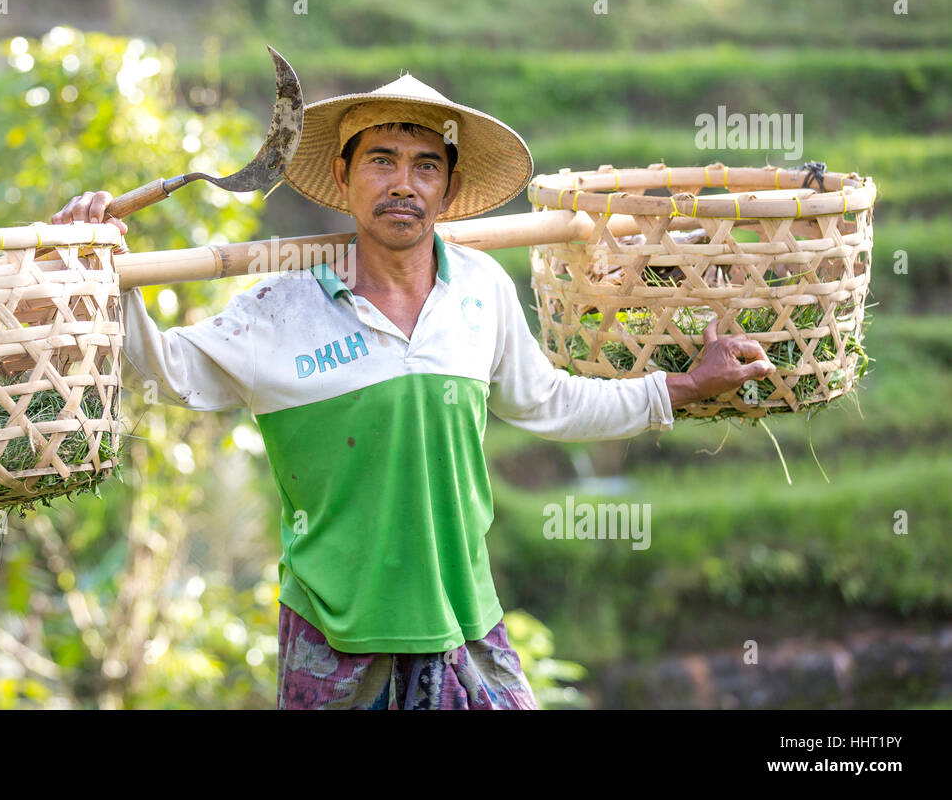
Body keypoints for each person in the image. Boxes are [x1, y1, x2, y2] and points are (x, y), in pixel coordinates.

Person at [52, 73, 775, 710]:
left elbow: (549, 401)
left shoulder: (482, 290)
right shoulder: (279, 310)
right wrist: (99, 268)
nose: (404, 183)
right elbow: (165, 370)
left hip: (464, 622)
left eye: (426, 166)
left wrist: (683, 385)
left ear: (449, 189)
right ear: (344, 177)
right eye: (382, 161)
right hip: (336, 641)